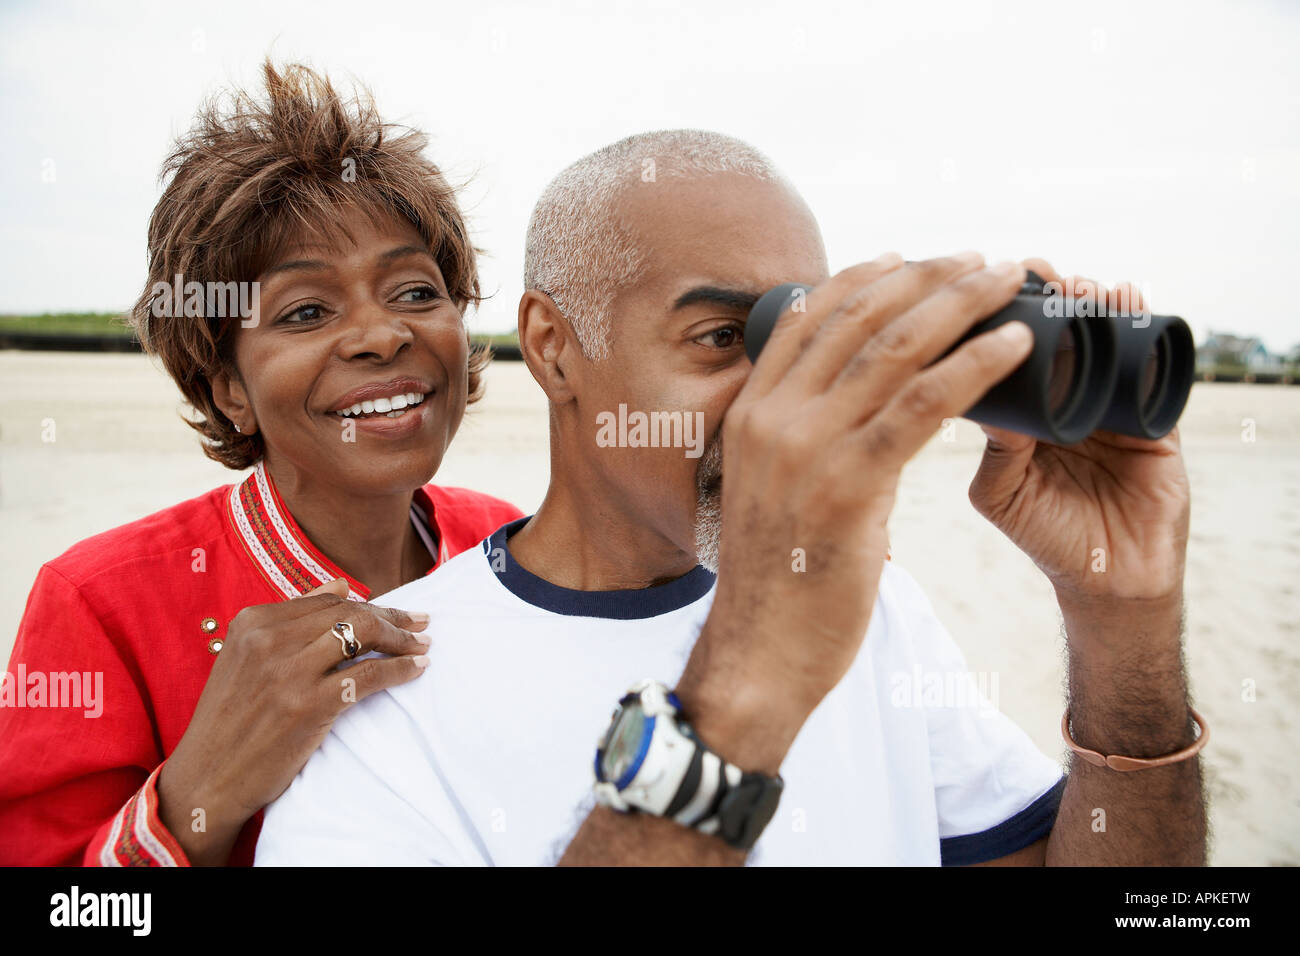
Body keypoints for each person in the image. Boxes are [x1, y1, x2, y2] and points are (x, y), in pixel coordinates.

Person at [254, 130, 1206, 866]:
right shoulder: (389, 698)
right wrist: (751, 682)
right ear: (552, 346)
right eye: (722, 336)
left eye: (812, 336)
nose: (784, 398)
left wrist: (1122, 623)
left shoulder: (876, 614)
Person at [0, 62, 522, 867]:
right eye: (306, 311)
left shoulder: (510, 545)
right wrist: (202, 790)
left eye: (416, 292)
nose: (381, 336)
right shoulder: (97, 604)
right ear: (228, 390)